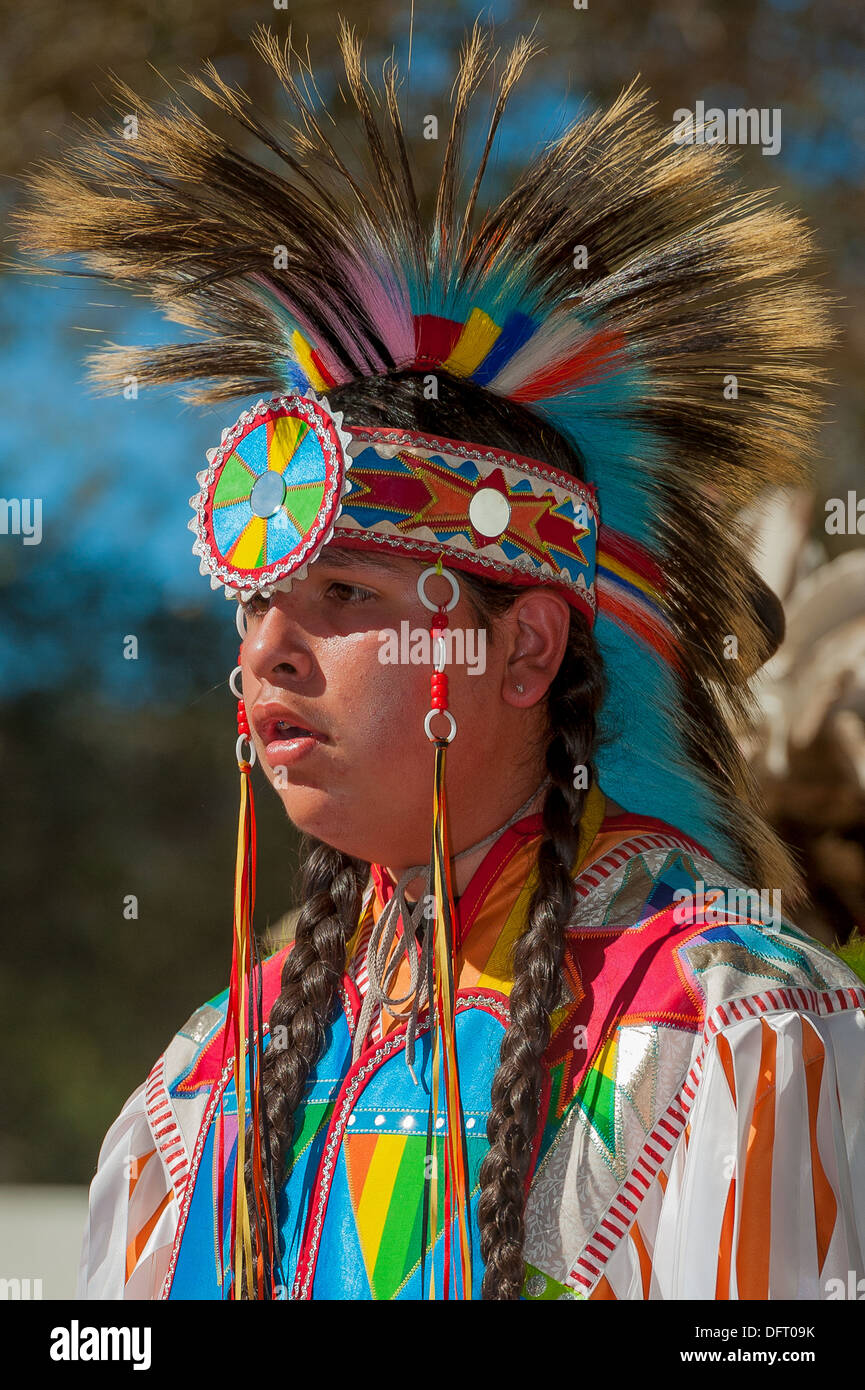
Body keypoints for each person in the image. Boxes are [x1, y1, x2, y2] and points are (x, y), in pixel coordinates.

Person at [17, 18, 865, 1301]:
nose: (267, 656)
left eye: (343, 595)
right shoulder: (209, 1083)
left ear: (523, 645)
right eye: (253, 610)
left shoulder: (719, 1030)